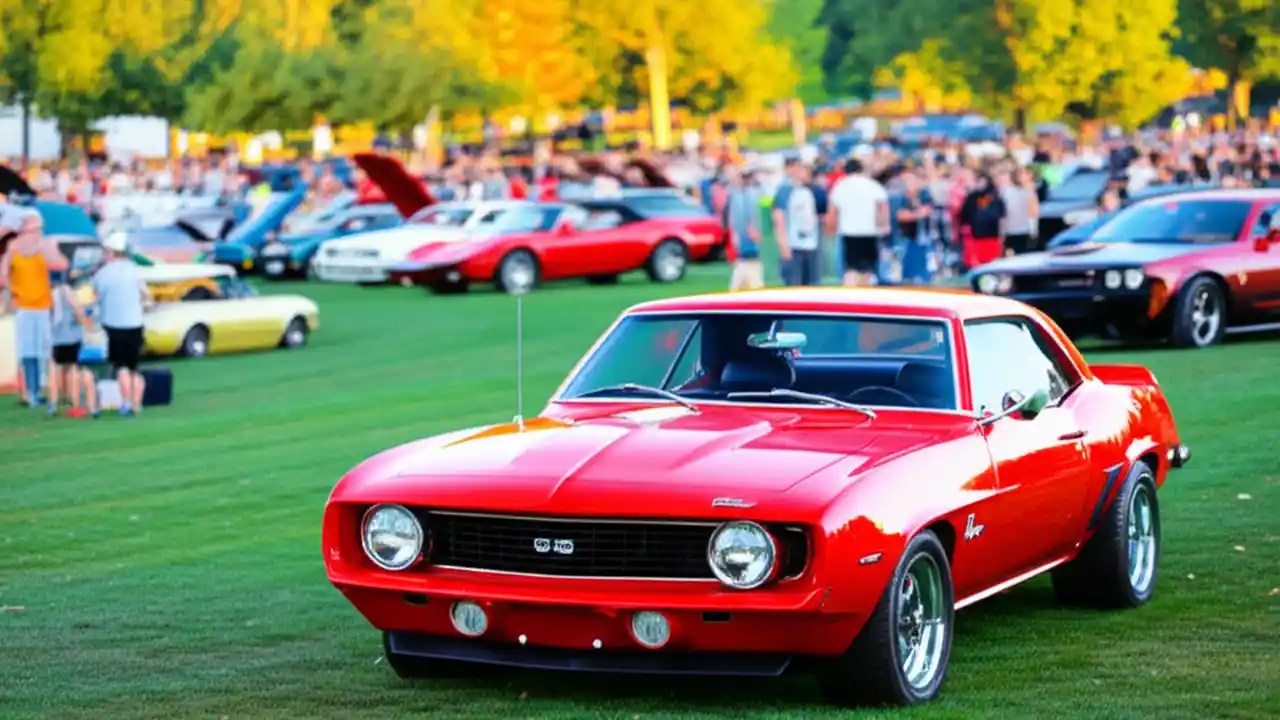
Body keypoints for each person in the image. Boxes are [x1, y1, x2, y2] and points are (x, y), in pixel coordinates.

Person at [1, 209, 68, 407]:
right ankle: (39, 390)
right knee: (40, 351)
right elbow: (63, 265)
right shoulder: (43, 245)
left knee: (29, 351)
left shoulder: (15, 248)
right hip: (37, 305)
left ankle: (33, 392)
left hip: (26, 305)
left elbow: (3, 277)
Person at [91, 232, 150, 417]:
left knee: (121, 367)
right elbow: (146, 296)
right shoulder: (135, 270)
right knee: (134, 368)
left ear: (111, 252)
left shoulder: (102, 274)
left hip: (114, 324)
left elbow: (95, 297)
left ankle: (125, 402)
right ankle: (137, 403)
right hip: (136, 323)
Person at [827, 158, 889, 286]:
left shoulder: (840, 186)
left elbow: (833, 210)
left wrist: (830, 228)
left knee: (851, 268)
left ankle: (850, 294)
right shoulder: (872, 184)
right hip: (869, 231)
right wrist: (884, 225)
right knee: (868, 268)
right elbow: (883, 205)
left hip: (849, 231)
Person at [48, 270, 97, 418]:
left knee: (55, 369)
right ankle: (74, 401)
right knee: (73, 368)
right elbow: (78, 310)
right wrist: (87, 325)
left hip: (56, 337)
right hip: (71, 336)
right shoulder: (67, 291)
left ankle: (53, 403)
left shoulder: (49, 294)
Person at [724, 167, 764, 290]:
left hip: (753, 250)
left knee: (751, 282)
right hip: (741, 249)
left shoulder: (756, 193)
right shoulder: (735, 195)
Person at [958, 172, 1006, 268]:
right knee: (992, 261)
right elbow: (1002, 214)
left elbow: (965, 214)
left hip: (979, 233)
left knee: (982, 261)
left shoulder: (973, 196)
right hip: (993, 232)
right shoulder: (996, 196)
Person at [1000, 168, 1039, 255]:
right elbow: (1034, 214)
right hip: (1023, 231)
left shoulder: (1004, 192)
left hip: (1011, 231)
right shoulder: (1029, 193)